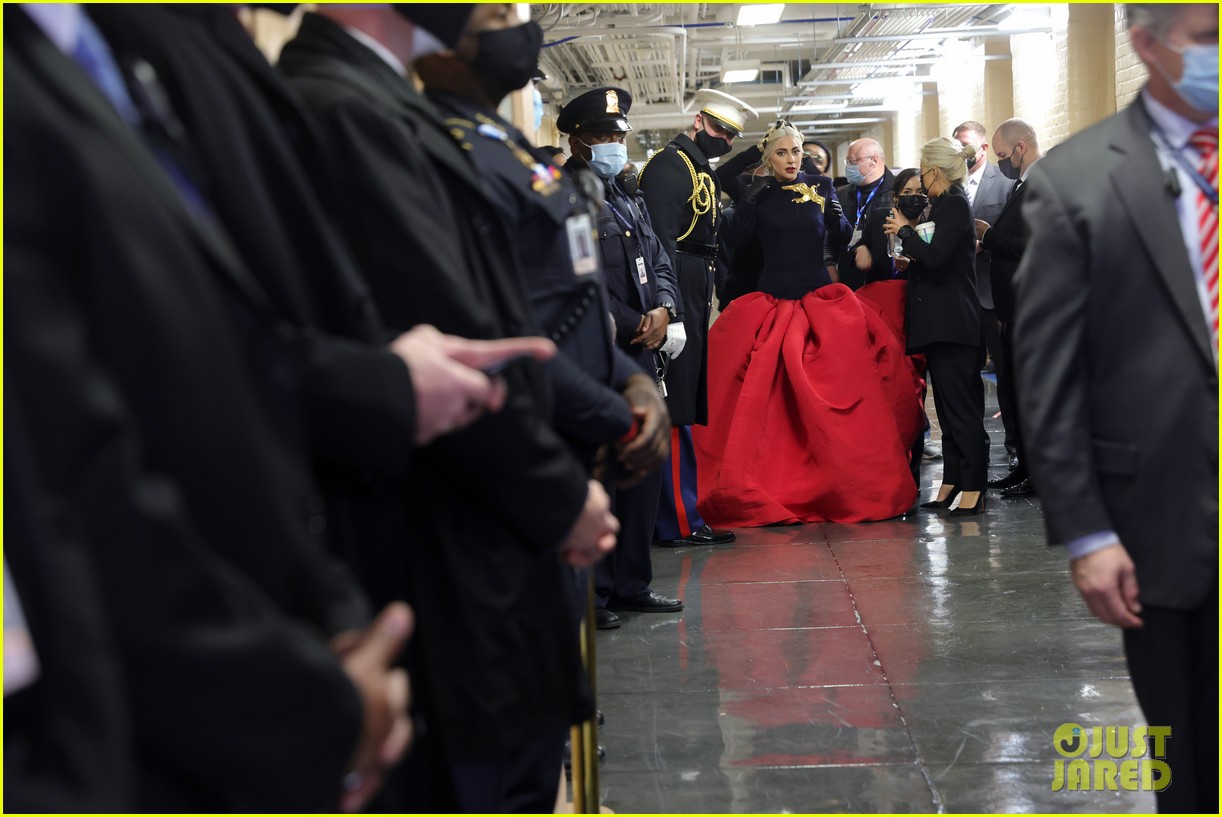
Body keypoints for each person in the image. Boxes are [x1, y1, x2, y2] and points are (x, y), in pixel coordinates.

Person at [4, 5, 413, 809]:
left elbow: (227, 358)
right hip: (141, 739)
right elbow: (77, 483)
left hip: (260, 660)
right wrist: (305, 708)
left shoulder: (82, 52)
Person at [279, 7, 622, 811]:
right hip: (451, 535)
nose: (501, 17)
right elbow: (454, 334)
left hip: (487, 532)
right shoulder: (348, 107)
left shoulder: (380, 101)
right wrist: (559, 493)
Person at [1012, 4, 1218, 811]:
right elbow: (1049, 375)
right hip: (1166, 524)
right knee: (1196, 766)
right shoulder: (1078, 181)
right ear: (1145, 45)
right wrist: (1089, 530)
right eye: (1208, 41)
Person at [693, 121, 923, 525]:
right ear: (769, 157)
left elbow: (841, 233)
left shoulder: (822, 187)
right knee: (765, 396)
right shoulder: (757, 190)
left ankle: (841, 484)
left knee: (842, 389)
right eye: (781, 153)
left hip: (820, 301)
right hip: (771, 302)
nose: (791, 159)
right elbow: (733, 231)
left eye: (796, 152)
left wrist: (857, 233)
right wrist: (751, 191)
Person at [558, 85, 686, 629]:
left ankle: (632, 582)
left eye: (619, 135)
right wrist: (636, 324)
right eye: (605, 136)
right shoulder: (565, 194)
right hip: (601, 350)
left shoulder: (625, 192)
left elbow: (657, 256)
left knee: (643, 466)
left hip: (642, 348)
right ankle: (599, 594)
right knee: (605, 469)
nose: (615, 144)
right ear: (579, 140)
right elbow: (576, 276)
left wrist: (664, 307)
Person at [639, 87, 758, 548]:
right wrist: (669, 309)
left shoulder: (695, 165)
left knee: (684, 404)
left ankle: (683, 512)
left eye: (731, 136)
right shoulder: (671, 167)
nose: (724, 141)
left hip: (694, 284)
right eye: (719, 131)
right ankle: (676, 520)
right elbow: (661, 244)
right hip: (679, 287)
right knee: (674, 406)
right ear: (698, 123)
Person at [884, 137, 989, 517]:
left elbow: (937, 255)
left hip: (954, 322)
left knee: (961, 408)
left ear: (932, 172)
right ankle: (953, 479)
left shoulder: (955, 204)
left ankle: (975, 485)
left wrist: (905, 232)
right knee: (946, 408)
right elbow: (934, 261)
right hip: (940, 322)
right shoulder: (945, 205)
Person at [976, 118, 1043, 499]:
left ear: (1020, 147)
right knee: (1017, 390)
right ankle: (1025, 467)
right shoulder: (1023, 184)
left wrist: (990, 235)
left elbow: (1031, 244)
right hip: (1013, 308)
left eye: (1001, 155)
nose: (1000, 163)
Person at [952, 120, 1010, 444]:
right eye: (956, 144)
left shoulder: (1003, 183)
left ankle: (1014, 445)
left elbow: (1008, 235)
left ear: (983, 147)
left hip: (993, 292)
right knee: (966, 374)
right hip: (962, 294)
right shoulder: (951, 184)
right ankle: (975, 445)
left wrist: (985, 241)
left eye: (966, 143)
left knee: (1005, 373)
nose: (961, 150)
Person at [835, 137, 897, 290]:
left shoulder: (898, 192)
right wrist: (830, 263)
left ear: (873, 161)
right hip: (848, 281)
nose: (849, 166)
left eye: (853, 161)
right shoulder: (841, 194)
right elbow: (831, 235)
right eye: (847, 161)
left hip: (887, 280)